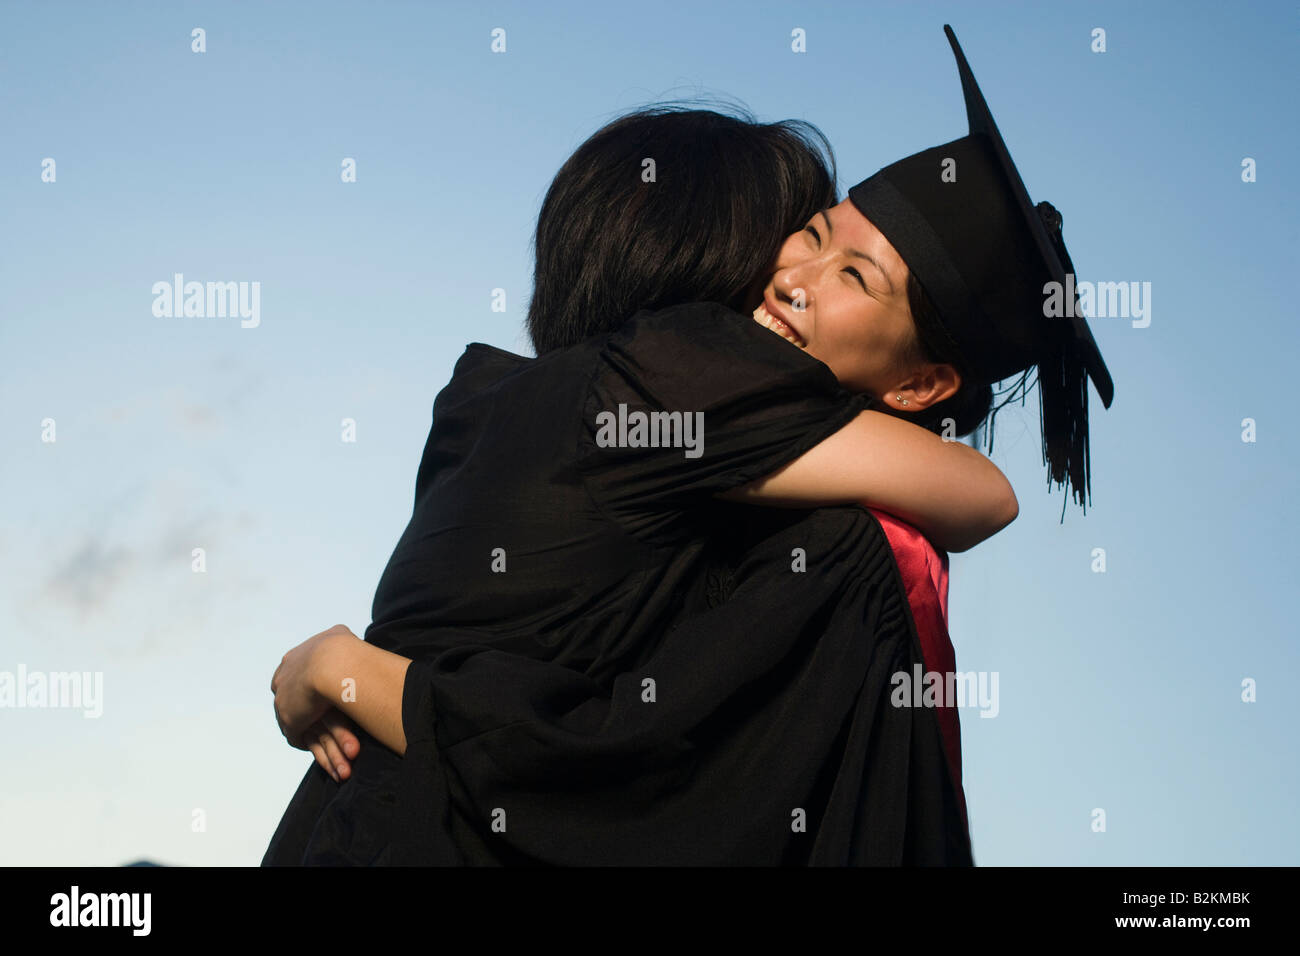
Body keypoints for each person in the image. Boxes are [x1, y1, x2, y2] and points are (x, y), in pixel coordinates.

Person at [264, 25, 1113, 864]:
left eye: (856, 275)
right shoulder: (705, 405)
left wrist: (343, 667)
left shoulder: (485, 393)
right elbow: (985, 495)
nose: (791, 280)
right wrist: (347, 670)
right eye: (812, 235)